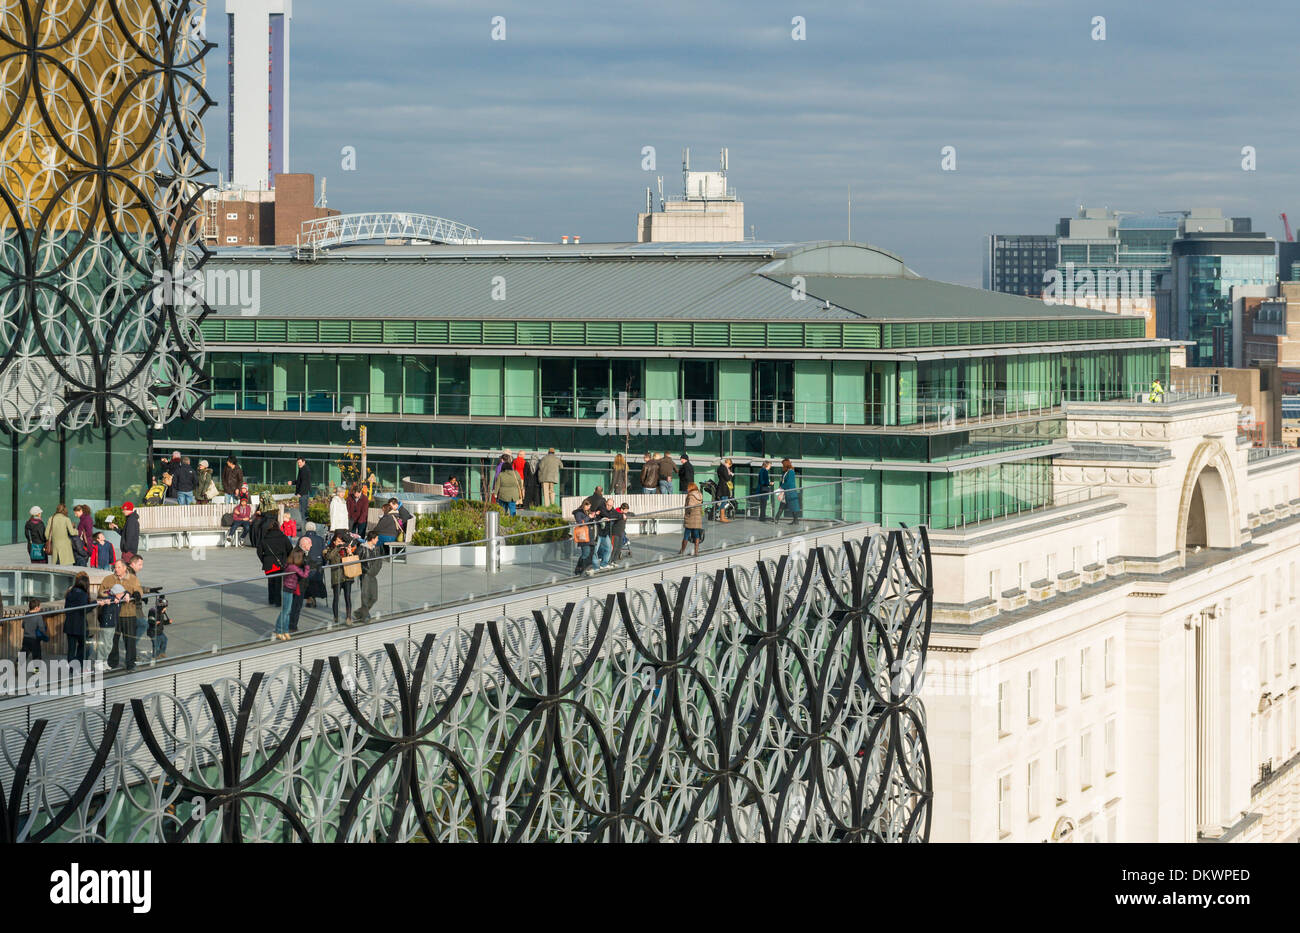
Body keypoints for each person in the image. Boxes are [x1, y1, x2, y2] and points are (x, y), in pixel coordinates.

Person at [102, 559, 142, 670]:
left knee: (129, 640)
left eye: (119, 567)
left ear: (125, 568)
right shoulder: (108, 579)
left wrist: (136, 593)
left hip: (128, 614)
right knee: (113, 639)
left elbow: (139, 591)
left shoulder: (133, 579)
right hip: (114, 614)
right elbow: (101, 592)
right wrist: (111, 594)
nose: (116, 569)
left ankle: (130, 663)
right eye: (115, 567)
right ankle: (112, 662)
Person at [255, 509, 293, 606]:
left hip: (268, 563)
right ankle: (278, 601)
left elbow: (259, 551)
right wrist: (286, 558)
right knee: (278, 582)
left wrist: (263, 559)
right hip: (280, 562)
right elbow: (290, 548)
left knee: (270, 582)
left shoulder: (264, 538)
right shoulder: (283, 537)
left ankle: (271, 599)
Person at [323, 531, 358, 626]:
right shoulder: (330, 549)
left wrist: (349, 552)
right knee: (336, 598)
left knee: (348, 597)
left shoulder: (346, 549)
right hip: (337, 577)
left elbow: (352, 560)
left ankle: (348, 617)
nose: (340, 543)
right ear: (334, 542)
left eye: (341, 541)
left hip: (347, 576)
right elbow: (328, 557)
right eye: (338, 541)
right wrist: (337, 548)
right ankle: (336, 618)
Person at [275, 548, 308, 641]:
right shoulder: (293, 567)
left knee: (287, 612)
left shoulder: (290, 564)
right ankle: (278, 630)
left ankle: (285, 631)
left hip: (289, 589)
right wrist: (307, 566)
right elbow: (304, 575)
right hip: (287, 590)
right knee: (285, 612)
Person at [62, 573, 93, 664]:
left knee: (71, 649)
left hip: (69, 625)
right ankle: (78, 664)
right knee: (83, 646)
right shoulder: (83, 594)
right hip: (79, 626)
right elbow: (84, 609)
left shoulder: (70, 592)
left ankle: (71, 667)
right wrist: (95, 603)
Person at [354, 533, 383, 622]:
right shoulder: (362, 548)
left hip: (373, 575)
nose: (377, 540)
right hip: (365, 575)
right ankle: (365, 615)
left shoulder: (376, 549)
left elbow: (379, 561)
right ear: (372, 539)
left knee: (374, 597)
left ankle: (360, 612)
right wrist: (365, 570)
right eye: (376, 538)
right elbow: (356, 561)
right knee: (365, 596)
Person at [679, 483, 704, 557]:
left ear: (691, 488)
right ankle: (696, 552)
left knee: (686, 534)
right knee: (696, 534)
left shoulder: (691, 496)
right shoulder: (699, 494)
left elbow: (690, 506)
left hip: (691, 517)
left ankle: (682, 551)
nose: (687, 489)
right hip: (697, 517)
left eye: (688, 487)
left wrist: (688, 512)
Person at [572, 499, 596, 575]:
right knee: (585, 553)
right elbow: (580, 523)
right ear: (584, 505)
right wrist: (588, 517)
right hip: (583, 536)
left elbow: (590, 521)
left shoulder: (587, 511)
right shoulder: (578, 512)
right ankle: (579, 569)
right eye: (588, 506)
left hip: (590, 535)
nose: (589, 508)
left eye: (590, 506)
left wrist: (594, 516)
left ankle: (586, 568)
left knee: (590, 553)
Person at [775, 458, 801, 524]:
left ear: (785, 464)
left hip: (790, 492)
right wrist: (780, 488)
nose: (782, 466)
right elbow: (783, 481)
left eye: (782, 464)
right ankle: (776, 519)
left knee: (793, 506)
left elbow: (789, 482)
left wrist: (781, 487)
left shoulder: (791, 472)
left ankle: (796, 520)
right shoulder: (785, 472)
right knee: (782, 505)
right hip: (785, 491)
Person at [714, 458, 734, 523]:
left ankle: (722, 517)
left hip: (721, 486)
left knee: (724, 501)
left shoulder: (720, 467)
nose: (729, 467)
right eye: (729, 465)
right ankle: (722, 518)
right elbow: (727, 478)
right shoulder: (724, 468)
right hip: (724, 487)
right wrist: (731, 475)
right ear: (728, 463)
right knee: (724, 501)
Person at [293, 457, 313, 522]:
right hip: (304, 493)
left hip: (303, 493)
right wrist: (292, 482)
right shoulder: (302, 469)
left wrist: (300, 493)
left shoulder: (304, 470)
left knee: (303, 511)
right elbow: (300, 481)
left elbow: (304, 483)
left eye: (300, 462)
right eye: (298, 463)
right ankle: (304, 525)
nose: (298, 464)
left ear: (304, 462)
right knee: (303, 510)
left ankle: (303, 526)